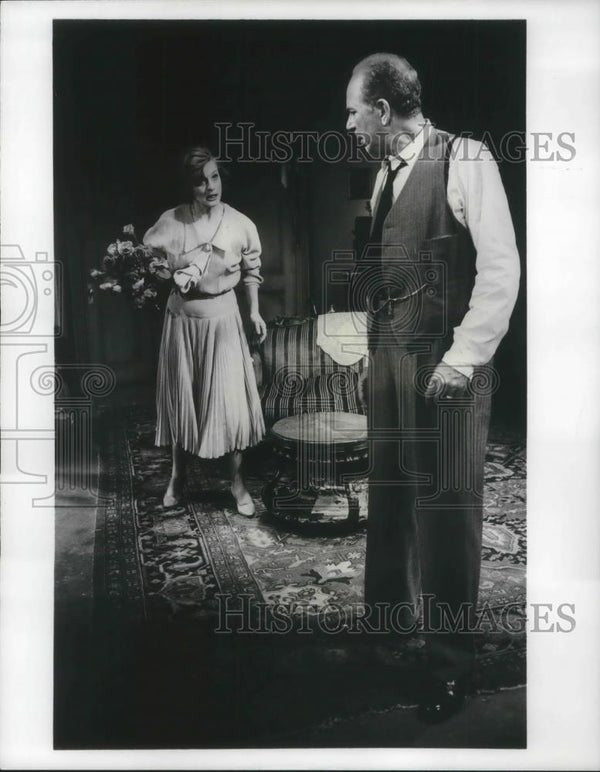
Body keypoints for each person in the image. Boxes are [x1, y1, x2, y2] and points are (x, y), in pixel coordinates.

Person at [345, 54, 520, 721]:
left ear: (383, 110)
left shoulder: (466, 158)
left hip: (447, 364)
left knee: (447, 512)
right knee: (390, 492)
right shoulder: (385, 169)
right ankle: (389, 623)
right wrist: (374, 349)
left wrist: (465, 357)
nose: (350, 123)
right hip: (392, 357)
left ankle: (451, 663)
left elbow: (501, 269)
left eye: (354, 110)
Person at [143, 147, 267, 515]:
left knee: (227, 405)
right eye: (200, 181)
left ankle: (238, 484)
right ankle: (178, 477)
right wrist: (160, 274)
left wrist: (255, 312)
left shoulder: (240, 223)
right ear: (189, 186)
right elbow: (147, 262)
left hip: (224, 320)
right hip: (182, 321)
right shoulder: (171, 222)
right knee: (186, 403)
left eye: (214, 177)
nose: (210, 187)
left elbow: (252, 271)